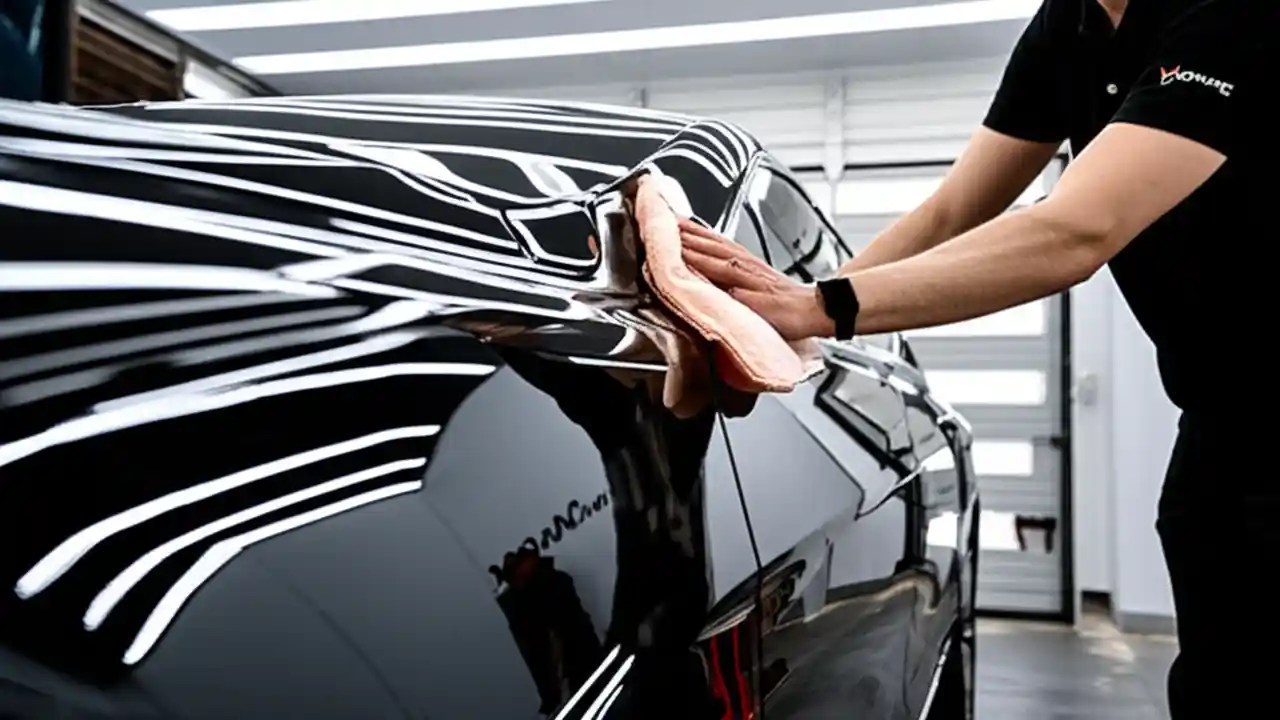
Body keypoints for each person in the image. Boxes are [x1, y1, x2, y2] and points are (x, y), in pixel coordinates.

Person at [680, 0, 1274, 716]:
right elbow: (951, 211)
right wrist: (797, 325)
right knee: (1218, 677)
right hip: (1218, 419)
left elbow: (1078, 229)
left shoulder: (1227, 15)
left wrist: (818, 307)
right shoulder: (1069, 27)